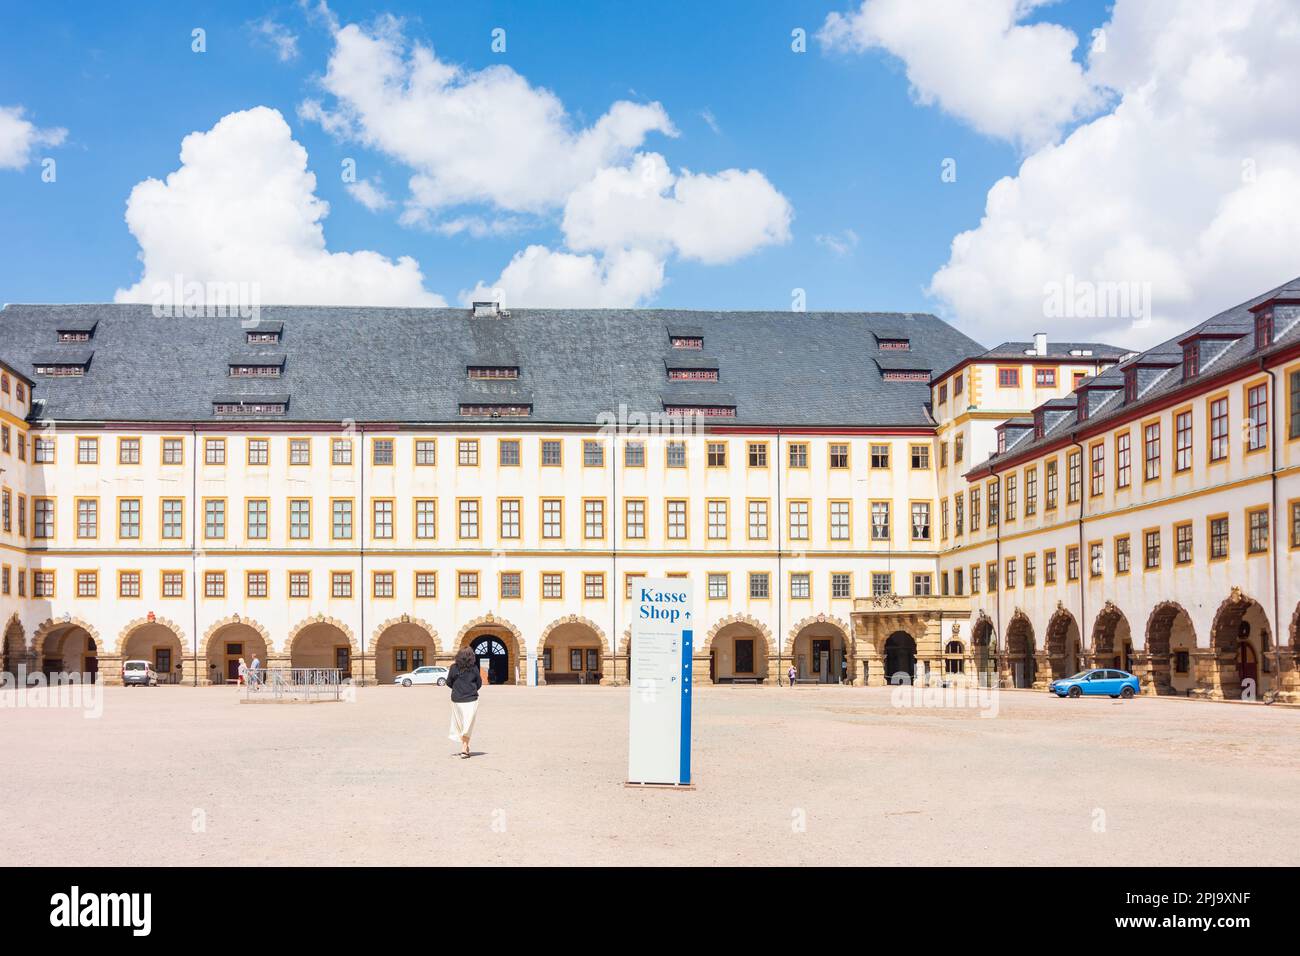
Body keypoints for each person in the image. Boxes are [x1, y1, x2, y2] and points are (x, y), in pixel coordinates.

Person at [446, 647, 482, 759]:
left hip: (457, 699)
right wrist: (471, 689)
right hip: (471, 699)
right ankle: (464, 748)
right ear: (471, 657)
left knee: (461, 724)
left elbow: (449, 682)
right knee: (468, 724)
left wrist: (457, 689)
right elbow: (479, 683)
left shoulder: (453, 668)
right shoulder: (474, 668)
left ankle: (464, 746)